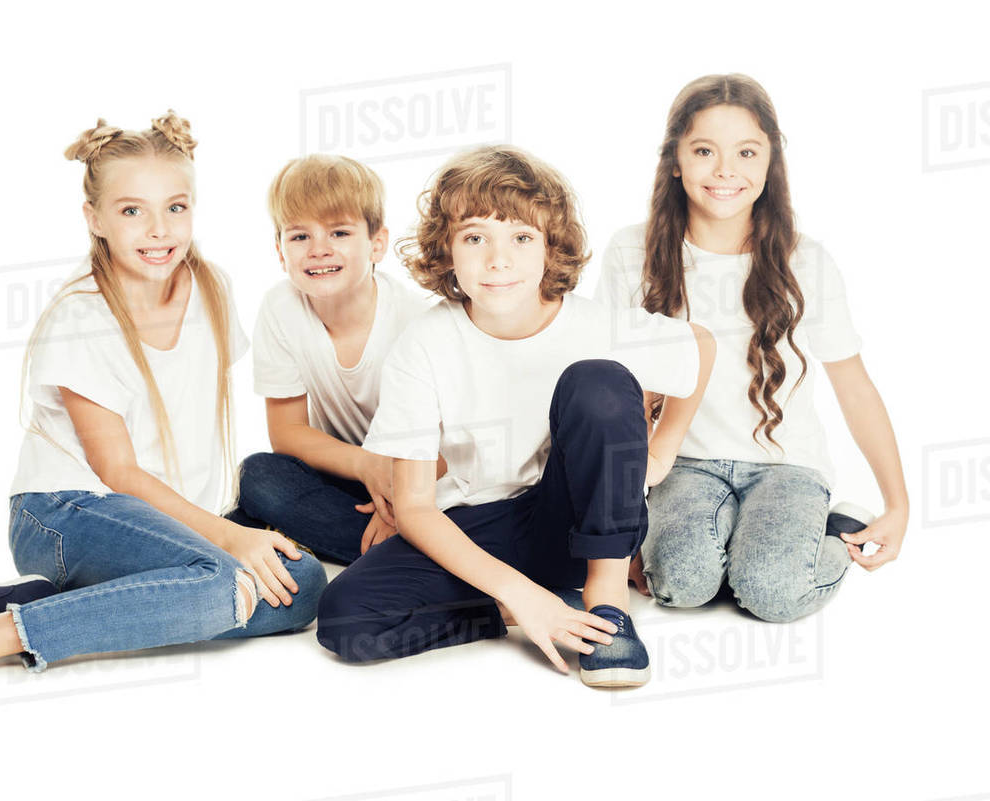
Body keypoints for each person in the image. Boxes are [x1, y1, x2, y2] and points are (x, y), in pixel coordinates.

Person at [0, 112, 326, 694]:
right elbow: (118, 473)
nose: (159, 230)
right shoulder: (80, 317)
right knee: (219, 587)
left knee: (302, 584)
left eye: (176, 207)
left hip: (163, 520)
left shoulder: (213, 287)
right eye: (132, 211)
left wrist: (224, 531)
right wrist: (229, 537)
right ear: (95, 219)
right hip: (65, 513)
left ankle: (58, 604)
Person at [315, 145, 716, 687]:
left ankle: (605, 604)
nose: (497, 260)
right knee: (346, 618)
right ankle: (532, 606)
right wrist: (519, 596)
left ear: (550, 249)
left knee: (597, 379)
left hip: (573, 516)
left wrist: (661, 455)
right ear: (448, 250)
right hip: (481, 523)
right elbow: (412, 506)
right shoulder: (425, 344)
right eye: (475, 237)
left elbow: (699, 343)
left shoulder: (593, 324)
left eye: (521, 238)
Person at [595, 74, 908, 622]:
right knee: (680, 585)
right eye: (703, 151)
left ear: (770, 163)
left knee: (772, 594)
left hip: (785, 466)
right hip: (684, 465)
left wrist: (898, 505)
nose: (725, 170)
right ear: (675, 160)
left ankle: (830, 529)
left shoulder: (805, 260)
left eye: (746, 152)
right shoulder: (631, 250)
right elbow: (608, 384)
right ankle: (739, 541)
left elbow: (854, 387)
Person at [228, 154, 436, 564]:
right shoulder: (280, 306)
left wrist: (400, 502)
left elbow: (448, 445)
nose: (318, 250)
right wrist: (364, 466)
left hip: (425, 479)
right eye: (300, 237)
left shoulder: (414, 320)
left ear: (377, 244)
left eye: (339, 233)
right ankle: (399, 553)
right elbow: (287, 433)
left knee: (248, 515)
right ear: (280, 250)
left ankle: (407, 548)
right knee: (259, 476)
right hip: (349, 472)